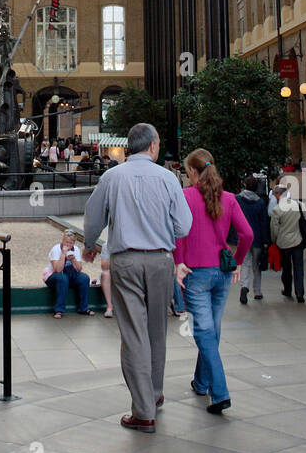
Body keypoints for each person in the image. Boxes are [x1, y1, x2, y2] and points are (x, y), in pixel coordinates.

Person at [83, 122, 192, 433]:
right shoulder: (168, 178)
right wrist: (160, 234)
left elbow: (93, 217)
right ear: (154, 146)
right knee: (157, 330)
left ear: (129, 147)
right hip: (161, 260)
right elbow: (184, 225)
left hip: (126, 261)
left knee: (133, 333)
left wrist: (90, 246)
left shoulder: (112, 176)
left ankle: (143, 410)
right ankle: (154, 395)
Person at [175, 148, 253, 416]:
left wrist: (179, 261)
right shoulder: (229, 199)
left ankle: (219, 393)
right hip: (221, 272)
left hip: (196, 273)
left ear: (193, 172)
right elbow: (248, 234)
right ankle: (201, 381)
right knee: (213, 331)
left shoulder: (185, 197)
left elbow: (178, 233)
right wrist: (238, 260)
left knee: (205, 333)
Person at [44, 231, 94, 318]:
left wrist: (73, 259)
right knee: (63, 278)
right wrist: (63, 254)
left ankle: (83, 307)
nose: (68, 244)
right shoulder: (56, 249)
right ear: (62, 241)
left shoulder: (76, 250)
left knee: (84, 278)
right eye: (66, 242)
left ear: (74, 243)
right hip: (54, 275)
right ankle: (59, 310)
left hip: (70, 275)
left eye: (70, 243)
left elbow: (79, 269)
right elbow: (57, 269)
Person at [237, 176, 270, 304]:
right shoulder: (260, 202)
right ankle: (257, 291)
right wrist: (266, 241)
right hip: (257, 238)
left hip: (244, 237)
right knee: (257, 265)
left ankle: (244, 287)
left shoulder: (238, 199)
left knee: (245, 263)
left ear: (245, 186)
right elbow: (264, 222)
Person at [270, 188, 306, 303]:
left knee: (286, 267)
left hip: (283, 242)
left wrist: (274, 241)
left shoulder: (277, 209)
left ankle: (287, 289)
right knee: (298, 267)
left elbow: (274, 229)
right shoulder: (298, 205)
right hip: (298, 240)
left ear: (278, 194)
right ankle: (300, 292)